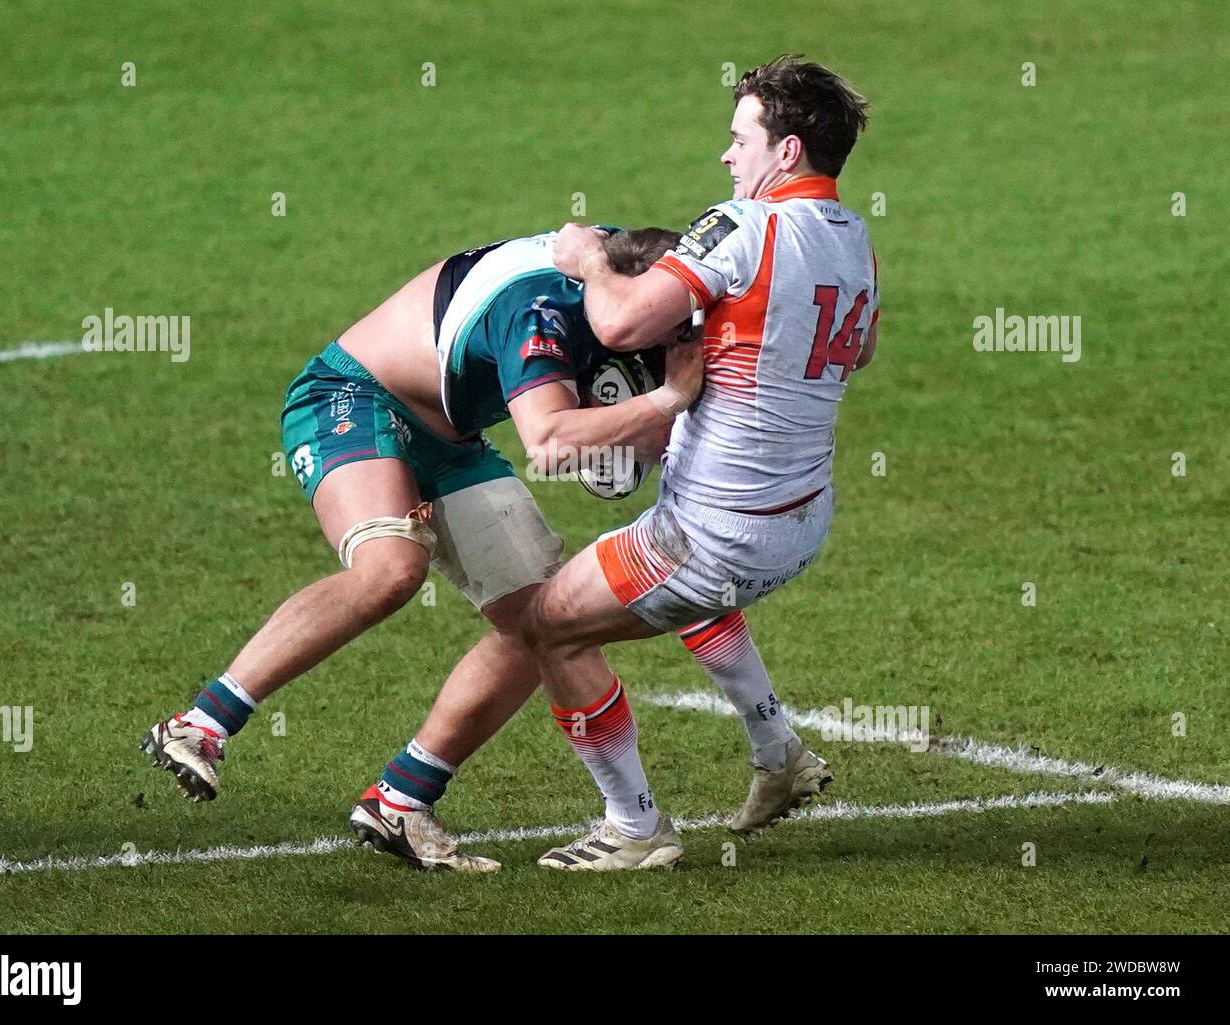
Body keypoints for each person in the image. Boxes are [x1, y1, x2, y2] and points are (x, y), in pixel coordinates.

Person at [364, 52, 876, 873]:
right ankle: (778, 754)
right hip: (803, 519)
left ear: (786, 153)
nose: (726, 155)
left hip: (714, 532)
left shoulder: (746, 225)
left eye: (740, 136)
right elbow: (861, 348)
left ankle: (633, 827)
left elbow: (631, 322)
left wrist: (589, 262)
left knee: (548, 624)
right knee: (673, 589)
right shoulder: (855, 240)